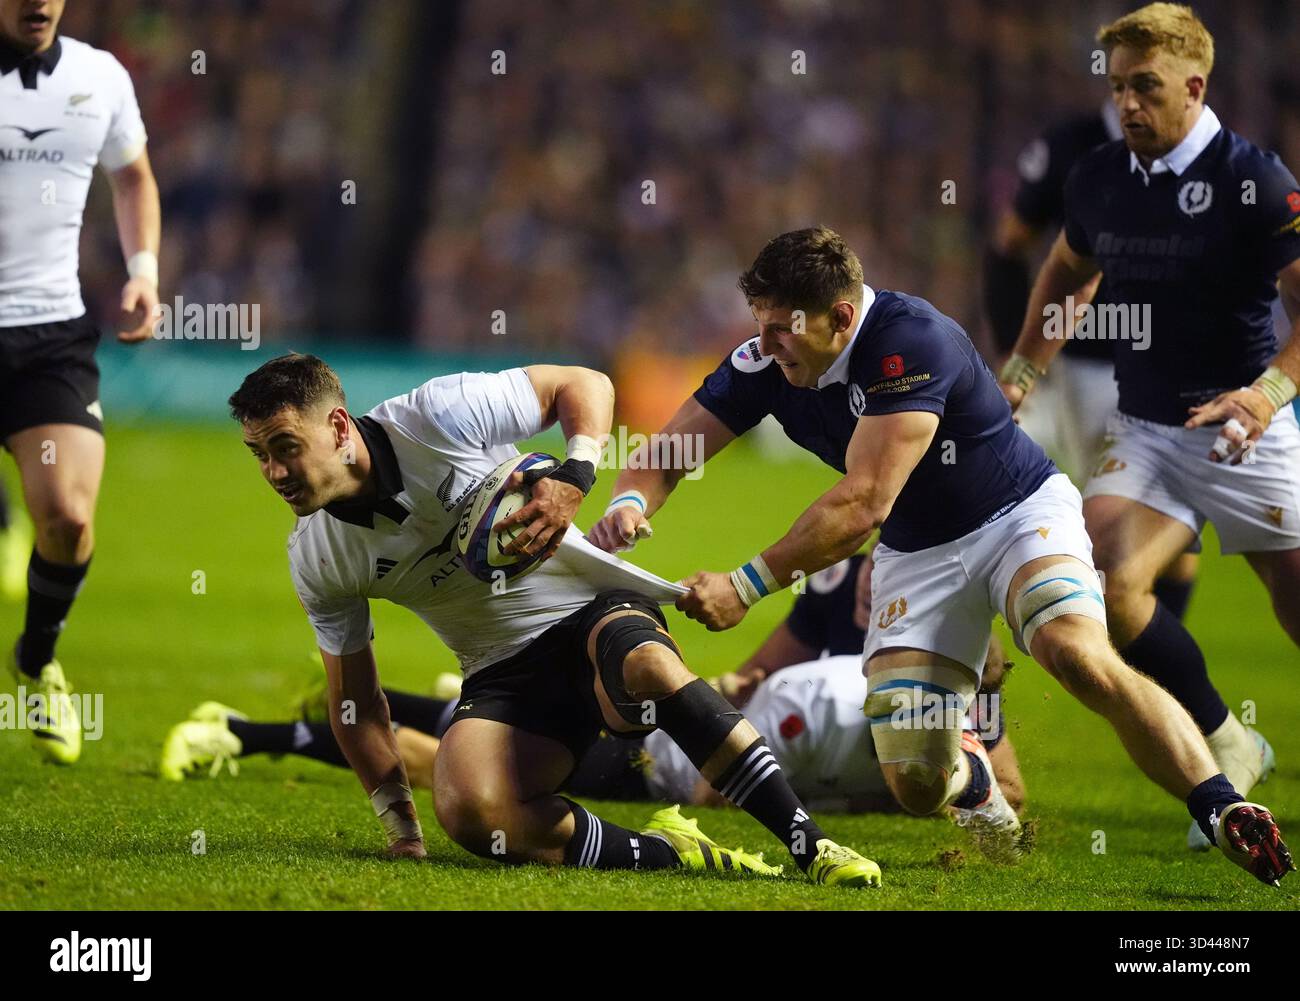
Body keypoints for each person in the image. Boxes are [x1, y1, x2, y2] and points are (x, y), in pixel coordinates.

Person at [590, 224, 1292, 885]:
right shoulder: (767, 359)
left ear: (839, 317)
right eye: (760, 325)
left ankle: (1222, 805)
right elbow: (671, 451)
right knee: (917, 783)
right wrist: (629, 503)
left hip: (1015, 512)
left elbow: (862, 502)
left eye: (781, 329)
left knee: (1074, 650)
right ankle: (975, 776)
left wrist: (745, 584)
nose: (766, 344)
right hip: (916, 554)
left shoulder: (909, 340)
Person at [228, 352, 881, 887]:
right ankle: (675, 853)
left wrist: (574, 474)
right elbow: (356, 704)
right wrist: (402, 830)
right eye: (259, 454)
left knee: (648, 666)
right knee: (471, 809)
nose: (274, 472)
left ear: (339, 428)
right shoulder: (316, 555)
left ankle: (811, 846)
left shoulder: (435, 414)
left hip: (588, 605)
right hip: (499, 669)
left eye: (286, 447)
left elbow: (583, 384)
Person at [1000, 3, 1299, 851]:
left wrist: (1267, 393)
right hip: (1147, 426)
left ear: (1195, 87)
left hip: (1248, 429)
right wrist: (1023, 368)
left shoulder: (1259, 181)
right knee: (1107, 578)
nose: (1128, 104)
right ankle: (1227, 742)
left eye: (1147, 87)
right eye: (1119, 85)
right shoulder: (1099, 178)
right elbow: (1067, 267)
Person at [1, 0, 160, 764]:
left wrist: (144, 273)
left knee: (66, 516)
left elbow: (133, 177)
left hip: (46, 339)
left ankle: (35, 661)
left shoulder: (100, 77)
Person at [985, 100, 1202, 625]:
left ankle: (1149, 668)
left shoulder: (1208, 150)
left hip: (1182, 366)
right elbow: (1009, 245)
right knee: (1129, 534)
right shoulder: (1072, 147)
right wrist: (1018, 356)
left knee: (1173, 535)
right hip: (1092, 367)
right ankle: (1122, 660)